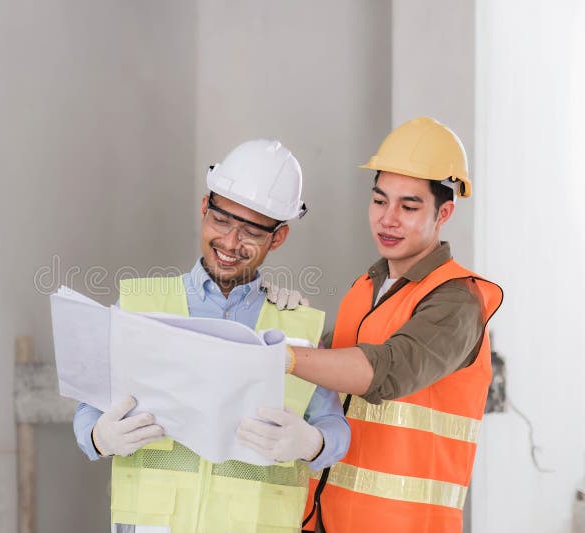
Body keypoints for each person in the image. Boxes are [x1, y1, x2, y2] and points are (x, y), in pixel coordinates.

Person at [72, 139, 351, 533]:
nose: (231, 242)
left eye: (252, 231)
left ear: (279, 237)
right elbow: (88, 411)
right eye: (221, 221)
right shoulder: (139, 304)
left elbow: (335, 427)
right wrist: (99, 437)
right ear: (204, 208)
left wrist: (313, 445)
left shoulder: (295, 326)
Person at [280, 117, 503, 533]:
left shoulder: (457, 301)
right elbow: (320, 380)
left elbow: (386, 371)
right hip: (324, 519)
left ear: (444, 212)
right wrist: (283, 325)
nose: (388, 218)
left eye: (409, 206)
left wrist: (284, 354)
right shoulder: (365, 289)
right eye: (380, 201)